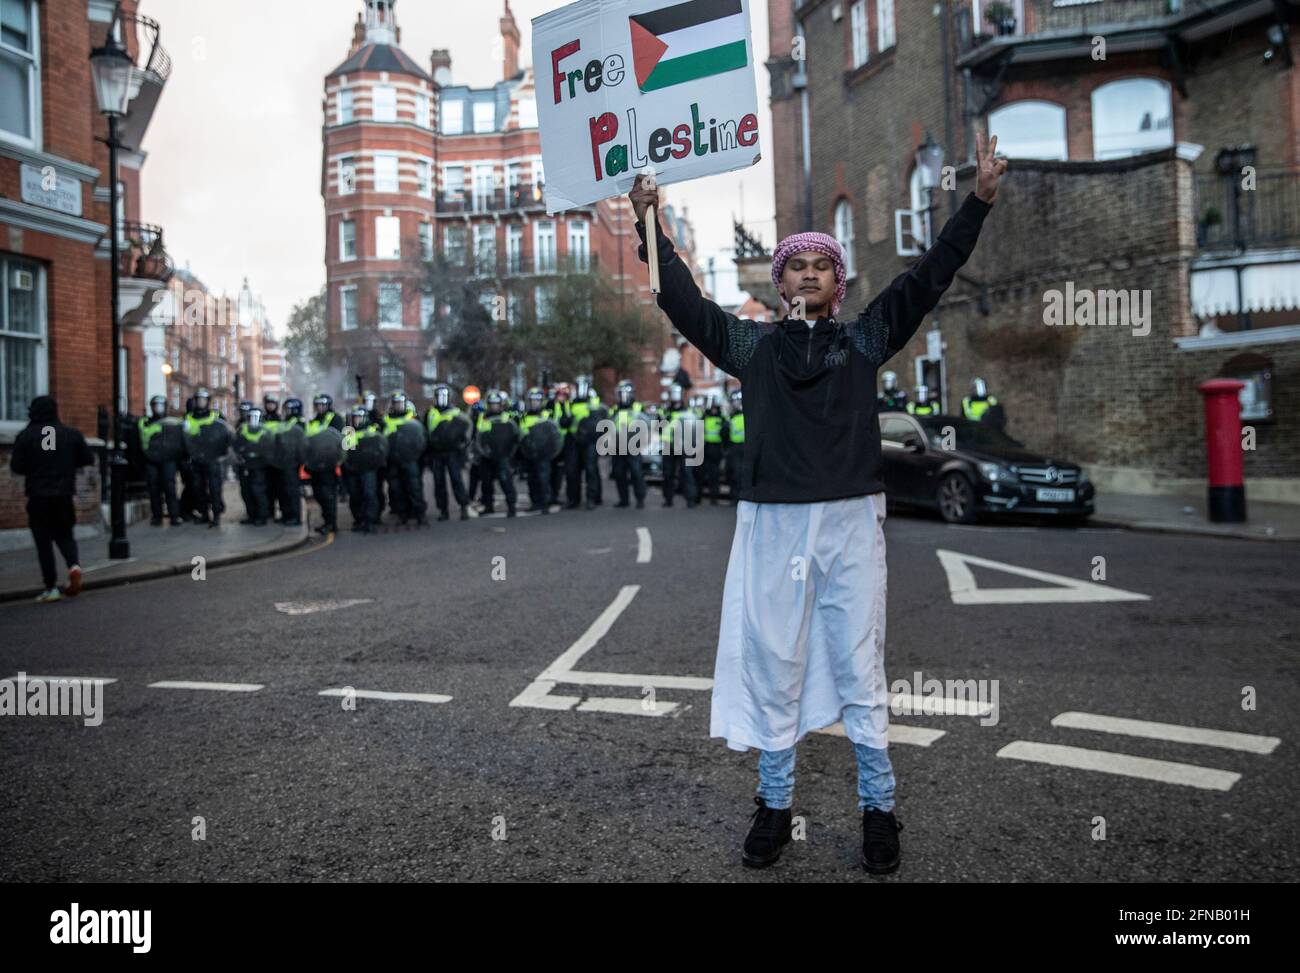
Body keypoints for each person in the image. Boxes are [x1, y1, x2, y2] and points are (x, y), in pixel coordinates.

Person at [626, 131, 1003, 874]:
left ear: (839, 282)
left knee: (859, 664)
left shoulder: (865, 338)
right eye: (794, 265)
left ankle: (879, 810)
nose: (806, 274)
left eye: (820, 265)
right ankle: (773, 806)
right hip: (771, 519)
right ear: (778, 282)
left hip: (849, 517)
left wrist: (978, 203)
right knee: (774, 664)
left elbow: (928, 278)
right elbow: (681, 300)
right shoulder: (750, 347)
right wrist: (649, 220)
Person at [9, 395, 93, 603]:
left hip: (38, 495)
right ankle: (73, 565)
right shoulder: (70, 434)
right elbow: (87, 458)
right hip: (63, 493)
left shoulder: (27, 435)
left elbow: (16, 466)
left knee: (43, 541)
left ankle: (50, 587)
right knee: (65, 534)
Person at [425, 383, 471, 521]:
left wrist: (462, 448)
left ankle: (463, 507)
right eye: (438, 396)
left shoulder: (456, 413)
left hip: (452, 452)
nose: (441, 399)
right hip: (436, 453)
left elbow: (465, 434)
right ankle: (443, 510)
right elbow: (426, 433)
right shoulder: (430, 413)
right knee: (439, 483)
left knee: (456, 480)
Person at [184, 387, 228, 528]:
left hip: (213, 459)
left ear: (208, 401)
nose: (201, 402)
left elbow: (224, 436)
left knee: (215, 489)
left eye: (204, 400)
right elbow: (185, 438)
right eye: (199, 400)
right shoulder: (188, 418)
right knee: (198, 488)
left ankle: (216, 516)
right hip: (196, 459)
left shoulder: (217, 416)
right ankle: (204, 514)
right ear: (195, 401)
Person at [382, 390, 428, 526]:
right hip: (393, 460)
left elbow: (421, 438)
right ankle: (402, 514)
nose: (398, 406)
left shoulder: (413, 418)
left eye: (400, 403)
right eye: (396, 403)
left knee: (414, 487)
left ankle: (419, 514)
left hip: (410, 458)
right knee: (397, 489)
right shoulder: (386, 420)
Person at [138, 395, 181, 526]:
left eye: (161, 405)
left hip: (168, 459)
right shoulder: (144, 422)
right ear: (152, 407)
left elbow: (178, 442)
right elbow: (140, 441)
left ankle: (174, 515)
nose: (158, 408)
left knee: (170, 486)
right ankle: (157, 516)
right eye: (156, 405)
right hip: (151, 459)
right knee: (153, 487)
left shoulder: (171, 422)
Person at [305, 393, 345, 535]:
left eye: (323, 404)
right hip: (315, 466)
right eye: (318, 405)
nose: (320, 407)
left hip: (330, 464)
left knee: (328, 495)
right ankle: (327, 521)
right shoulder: (313, 422)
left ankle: (331, 523)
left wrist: (341, 460)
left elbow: (344, 441)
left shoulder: (336, 419)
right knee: (319, 495)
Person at [342, 405, 385, 533]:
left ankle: (370, 520)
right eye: (355, 418)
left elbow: (380, 450)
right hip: (353, 469)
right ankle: (359, 520)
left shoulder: (373, 430)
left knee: (369, 494)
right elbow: (346, 453)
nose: (357, 421)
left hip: (369, 468)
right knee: (355, 496)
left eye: (360, 418)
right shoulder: (349, 432)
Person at [475, 390, 518, 517]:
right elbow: (478, 436)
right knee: (486, 483)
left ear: (501, 404)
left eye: (496, 404)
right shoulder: (482, 417)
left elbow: (513, 436)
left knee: (506, 481)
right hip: (486, 455)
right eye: (492, 404)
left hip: (502, 454)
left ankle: (511, 506)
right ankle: (488, 506)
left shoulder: (506, 417)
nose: (494, 406)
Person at [609, 380, 647, 509]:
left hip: (633, 446)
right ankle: (623, 500)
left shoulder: (638, 408)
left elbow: (646, 424)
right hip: (618, 447)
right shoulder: (614, 409)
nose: (623, 397)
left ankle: (640, 499)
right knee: (619, 473)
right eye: (621, 394)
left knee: (636, 473)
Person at [660, 383, 699, 508]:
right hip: (668, 445)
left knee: (687, 472)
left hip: (684, 445)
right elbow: (659, 429)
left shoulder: (688, 411)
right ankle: (668, 499)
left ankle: (691, 499)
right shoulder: (664, 411)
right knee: (667, 473)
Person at [231, 407, 271, 526]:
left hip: (259, 466)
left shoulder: (265, 431)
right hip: (245, 465)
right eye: (251, 417)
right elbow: (236, 445)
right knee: (246, 492)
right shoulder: (242, 430)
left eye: (256, 417)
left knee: (258, 491)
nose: (253, 421)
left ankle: (261, 516)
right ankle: (251, 515)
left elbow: (269, 448)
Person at [517, 387, 554, 514]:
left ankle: (545, 503)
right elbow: (521, 434)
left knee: (543, 479)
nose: (534, 403)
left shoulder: (546, 414)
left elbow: (552, 434)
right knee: (531, 479)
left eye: (537, 401)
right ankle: (535, 502)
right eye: (532, 401)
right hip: (529, 453)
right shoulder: (523, 416)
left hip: (543, 453)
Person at [276, 397, 305, 526]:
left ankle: (295, 517)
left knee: (292, 491)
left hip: (293, 463)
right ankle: (286, 515)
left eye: (288, 409)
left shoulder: (299, 423)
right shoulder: (285, 423)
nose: (286, 412)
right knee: (283, 491)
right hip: (283, 462)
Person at [700, 394, 727, 505]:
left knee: (714, 475)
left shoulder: (722, 418)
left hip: (716, 449)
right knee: (701, 474)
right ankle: (699, 496)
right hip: (705, 448)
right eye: (713, 408)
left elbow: (726, 434)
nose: (714, 410)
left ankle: (714, 498)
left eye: (716, 408)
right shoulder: (704, 417)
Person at [261, 394, 284, 523]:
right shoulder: (261, 420)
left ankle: (280, 512)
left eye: (273, 403)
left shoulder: (281, 420)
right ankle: (269, 512)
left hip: (278, 459)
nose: (270, 406)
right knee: (267, 489)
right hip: (265, 459)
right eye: (268, 403)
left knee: (279, 488)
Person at [725, 388, 745, 503]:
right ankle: (735, 498)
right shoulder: (730, 417)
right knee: (734, 473)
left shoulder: (749, 415)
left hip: (745, 448)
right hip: (734, 448)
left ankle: (739, 497)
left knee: (741, 474)